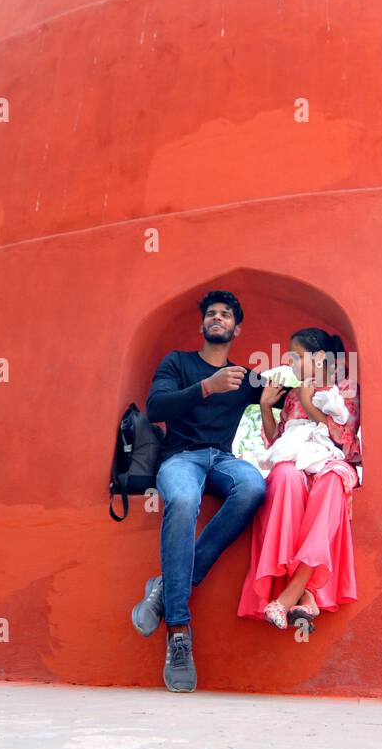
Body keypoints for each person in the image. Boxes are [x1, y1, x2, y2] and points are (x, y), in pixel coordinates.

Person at [130, 290, 267, 692]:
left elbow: (287, 392)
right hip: (180, 458)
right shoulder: (178, 362)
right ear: (203, 324)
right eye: (212, 313)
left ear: (237, 328)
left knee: (253, 487)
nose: (218, 318)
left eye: (226, 314)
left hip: (223, 460)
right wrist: (207, 387)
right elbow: (155, 408)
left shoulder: (244, 376)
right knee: (185, 498)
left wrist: (314, 368)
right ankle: (178, 630)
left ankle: (168, 587)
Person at [238, 328, 361, 631]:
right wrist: (266, 406)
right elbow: (277, 442)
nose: (290, 362)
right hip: (296, 463)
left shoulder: (344, 388)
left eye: (296, 356)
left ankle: (289, 594)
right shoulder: (292, 394)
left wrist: (309, 403)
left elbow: (344, 440)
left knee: (332, 480)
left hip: (331, 462)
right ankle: (306, 594)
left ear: (319, 357)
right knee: (283, 475)